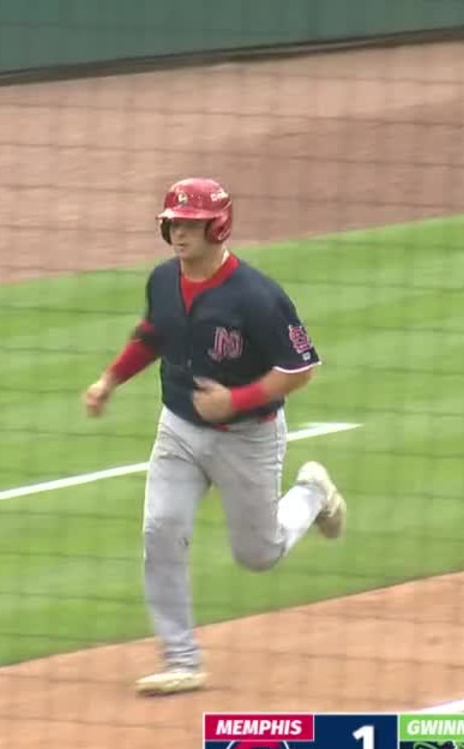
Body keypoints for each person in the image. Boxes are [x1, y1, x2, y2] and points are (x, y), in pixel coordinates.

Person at [82, 177, 346, 696]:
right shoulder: (162, 281)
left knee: (258, 554)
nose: (180, 233)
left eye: (191, 223)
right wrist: (108, 380)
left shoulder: (257, 296)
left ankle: (312, 493)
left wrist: (237, 400)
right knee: (161, 528)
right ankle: (181, 659)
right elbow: (153, 334)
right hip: (178, 429)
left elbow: (301, 368)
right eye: (174, 223)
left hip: (247, 438)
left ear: (217, 225)